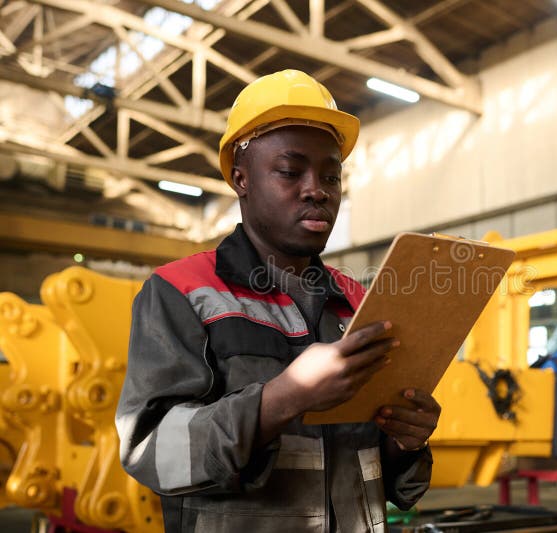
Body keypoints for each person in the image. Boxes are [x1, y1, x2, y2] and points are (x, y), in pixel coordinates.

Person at [115, 69, 440, 533]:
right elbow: (150, 452)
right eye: (290, 171)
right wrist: (283, 398)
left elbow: (381, 477)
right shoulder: (181, 291)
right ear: (240, 179)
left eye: (332, 175)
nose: (317, 190)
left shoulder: (360, 303)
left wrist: (403, 441)